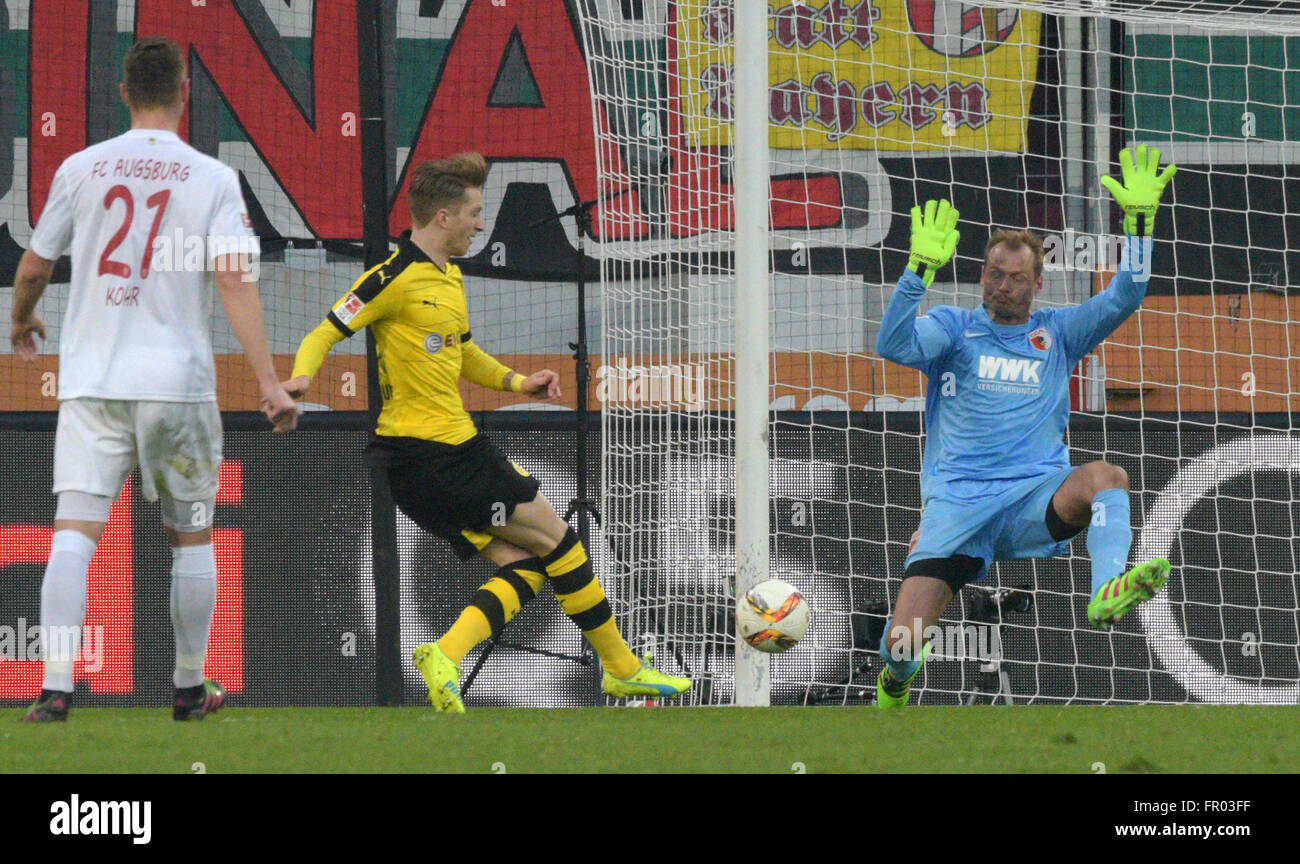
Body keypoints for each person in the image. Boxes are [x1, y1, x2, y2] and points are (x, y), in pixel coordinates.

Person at [284, 152, 690, 712]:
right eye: (474, 212)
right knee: (560, 542)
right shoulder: (393, 277)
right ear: (444, 216)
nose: (481, 224)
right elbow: (325, 330)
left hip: (426, 464)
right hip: (439, 454)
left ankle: (446, 654)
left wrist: (518, 382)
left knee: (525, 565)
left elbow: (463, 351)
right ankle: (622, 670)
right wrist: (302, 377)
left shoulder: (450, 277)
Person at [8, 37, 299, 722]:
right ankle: (189, 688)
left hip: (93, 384)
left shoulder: (82, 167)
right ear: (185, 93)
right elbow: (234, 279)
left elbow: (32, 266)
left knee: (74, 533)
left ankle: (55, 688)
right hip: (178, 386)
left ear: (123, 93)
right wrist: (270, 383)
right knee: (192, 534)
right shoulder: (212, 179)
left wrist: (21, 320)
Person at [873, 145, 1178, 707]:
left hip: (1033, 498)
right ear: (981, 274)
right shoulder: (954, 328)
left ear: (1038, 282)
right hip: (959, 505)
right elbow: (892, 343)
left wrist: (1139, 224)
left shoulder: (1059, 333)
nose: (1002, 286)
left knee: (1107, 476)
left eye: (1015, 277)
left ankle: (1107, 586)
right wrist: (917, 272)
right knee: (901, 642)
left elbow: (1127, 293)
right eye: (993, 274)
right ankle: (895, 682)